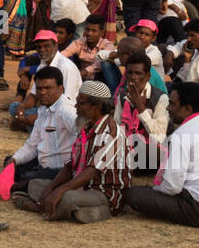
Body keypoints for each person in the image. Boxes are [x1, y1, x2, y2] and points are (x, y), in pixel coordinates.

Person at [123, 81, 199, 229]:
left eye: (172, 104)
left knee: (133, 195)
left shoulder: (183, 133)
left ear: (187, 109)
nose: (168, 108)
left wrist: (155, 190)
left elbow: (171, 187)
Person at [11, 80, 129, 222]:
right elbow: (71, 165)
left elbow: (91, 171)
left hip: (104, 192)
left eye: (81, 103)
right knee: (35, 185)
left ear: (96, 106)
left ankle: (43, 208)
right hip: (81, 187)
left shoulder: (112, 133)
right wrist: (52, 188)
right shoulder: (86, 126)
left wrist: (60, 191)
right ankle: (76, 211)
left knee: (67, 196)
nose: (76, 106)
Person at [6, 65, 79, 191]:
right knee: (10, 162)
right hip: (42, 165)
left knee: (32, 179)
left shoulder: (66, 110)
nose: (43, 92)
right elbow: (31, 145)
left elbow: (85, 132)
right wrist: (14, 160)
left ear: (60, 89)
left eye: (48, 88)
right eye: (39, 88)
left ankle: (24, 185)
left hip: (61, 171)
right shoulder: (43, 110)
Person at [62, 13, 112, 80]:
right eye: (87, 29)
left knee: (105, 64)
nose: (89, 33)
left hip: (101, 80)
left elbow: (100, 63)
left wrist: (85, 71)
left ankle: (113, 90)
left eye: (94, 31)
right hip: (83, 79)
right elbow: (65, 53)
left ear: (102, 33)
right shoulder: (79, 42)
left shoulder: (107, 45)